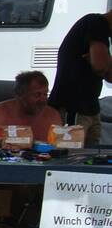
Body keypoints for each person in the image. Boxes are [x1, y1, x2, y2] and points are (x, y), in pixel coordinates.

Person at [48, 8, 112, 146]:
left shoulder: (101, 32)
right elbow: (100, 66)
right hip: (73, 106)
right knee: (71, 155)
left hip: (90, 107)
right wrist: (104, 61)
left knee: (90, 158)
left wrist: (105, 61)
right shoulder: (96, 23)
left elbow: (108, 74)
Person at [0, 70, 63, 148]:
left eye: (45, 94)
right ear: (20, 95)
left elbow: (59, 147)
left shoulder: (52, 115)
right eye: (37, 95)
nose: (43, 100)